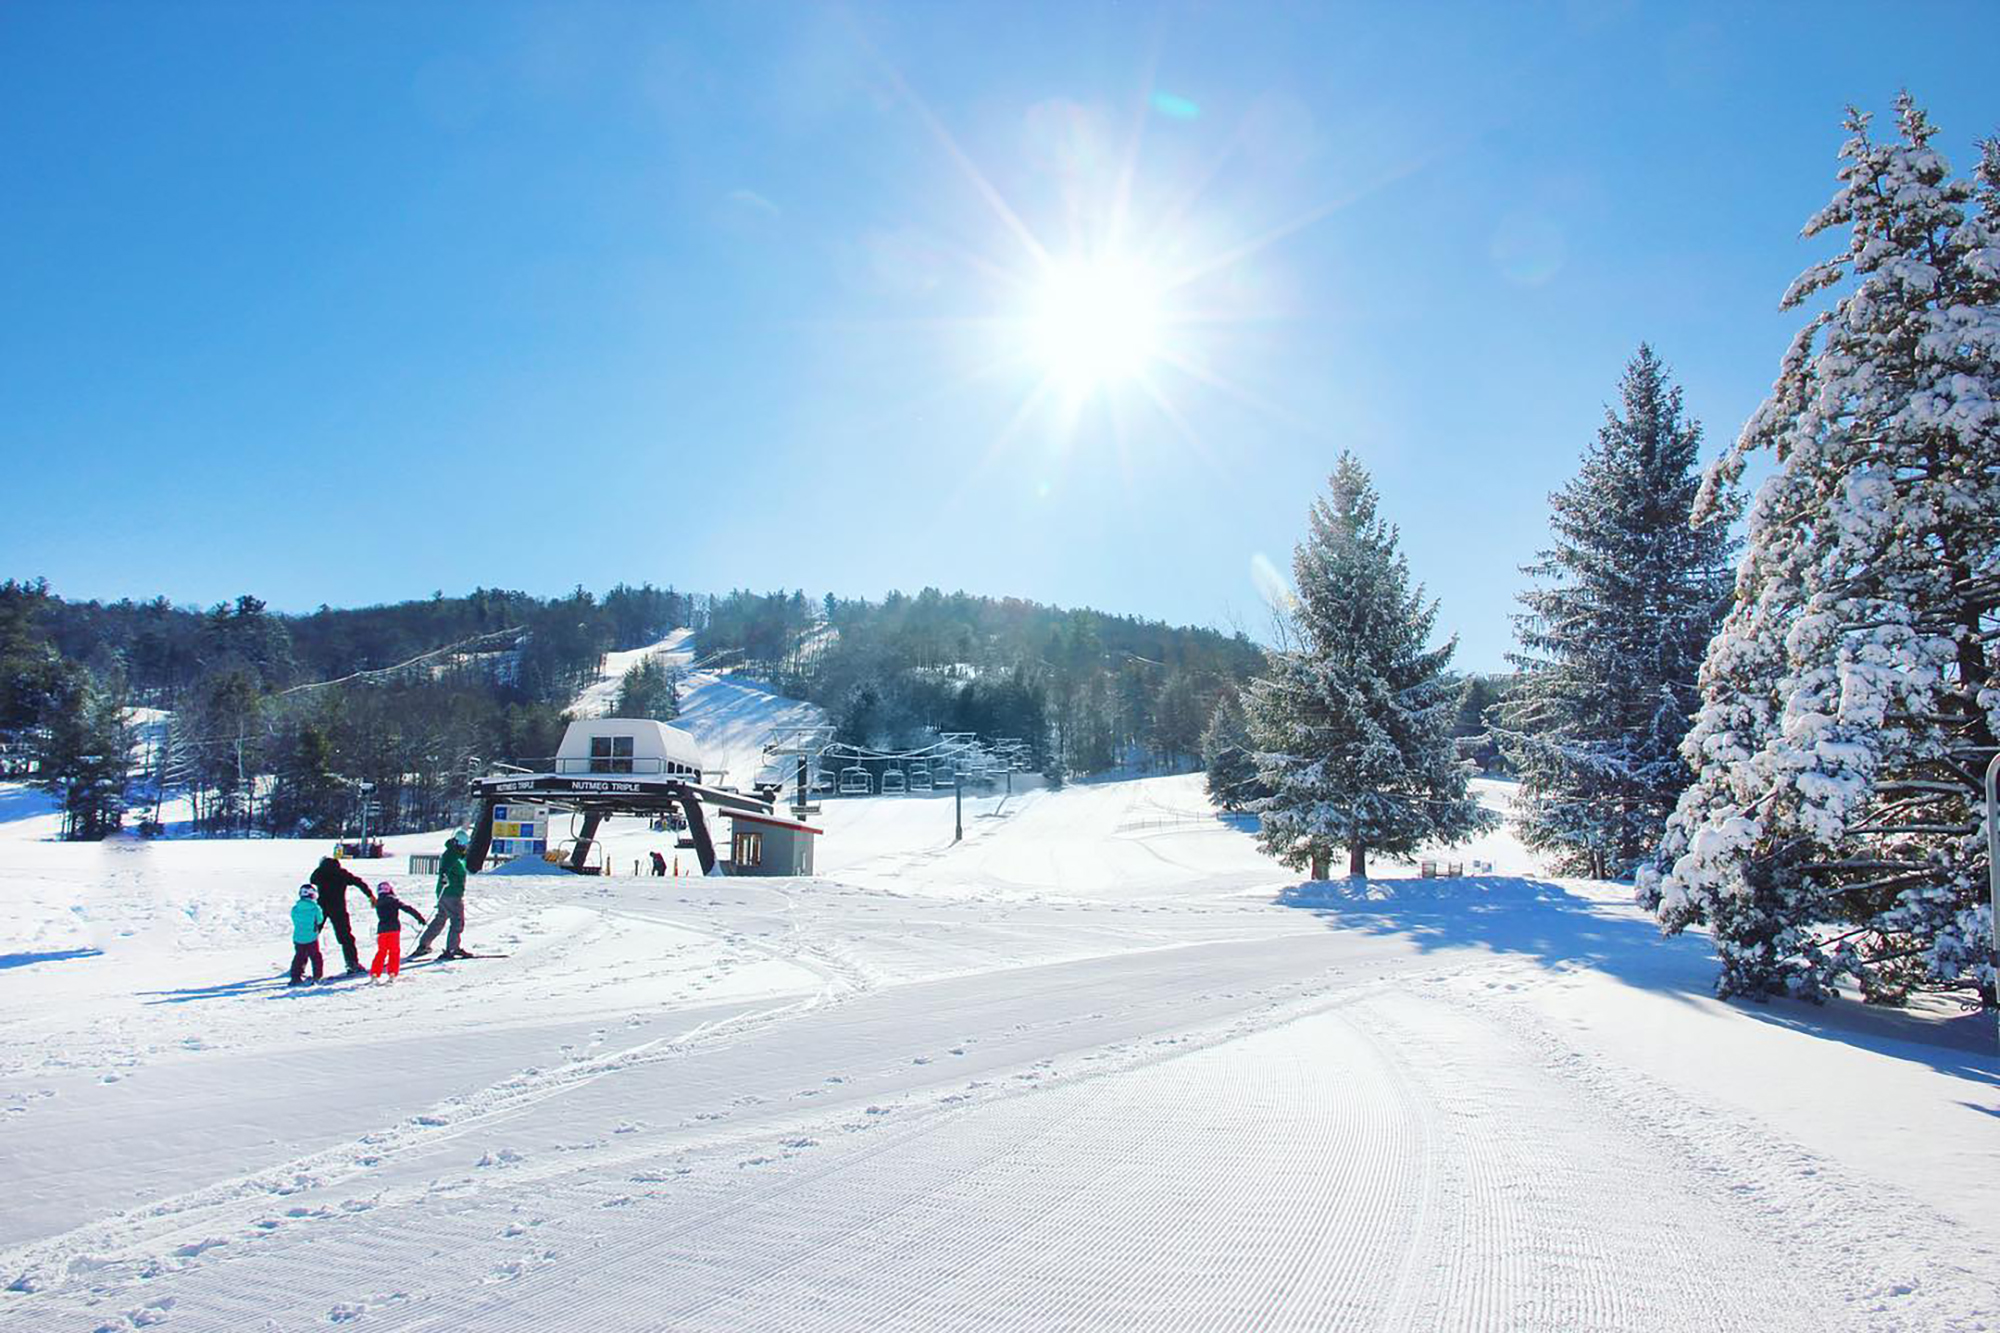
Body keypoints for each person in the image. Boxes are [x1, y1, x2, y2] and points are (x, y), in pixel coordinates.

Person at [309, 855, 377, 975]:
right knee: (346, 937)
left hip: (321, 908)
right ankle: (352, 963)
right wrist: (370, 895)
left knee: (310, 935)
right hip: (338, 908)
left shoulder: (320, 873)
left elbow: (312, 880)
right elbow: (359, 882)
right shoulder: (342, 873)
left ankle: (300, 963)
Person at [409, 829, 471, 960]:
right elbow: (444, 868)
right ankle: (452, 948)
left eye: (466, 844)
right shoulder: (451, 854)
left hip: (447, 892)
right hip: (451, 892)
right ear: (457, 842)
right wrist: (444, 877)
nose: (465, 846)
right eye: (463, 844)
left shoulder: (457, 854)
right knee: (457, 920)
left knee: (441, 918)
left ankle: (424, 945)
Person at [368, 882, 427, 981]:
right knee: (394, 951)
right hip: (394, 929)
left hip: (382, 930)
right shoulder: (393, 900)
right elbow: (408, 909)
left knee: (381, 952)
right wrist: (420, 918)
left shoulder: (377, 902)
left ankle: (374, 973)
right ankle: (392, 973)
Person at [289, 885, 326, 986]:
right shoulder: (315, 908)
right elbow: (320, 920)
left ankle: (295, 977)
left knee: (299, 956)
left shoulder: (295, 908)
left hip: (298, 937)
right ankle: (317, 976)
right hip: (311, 937)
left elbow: (294, 919)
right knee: (315, 957)